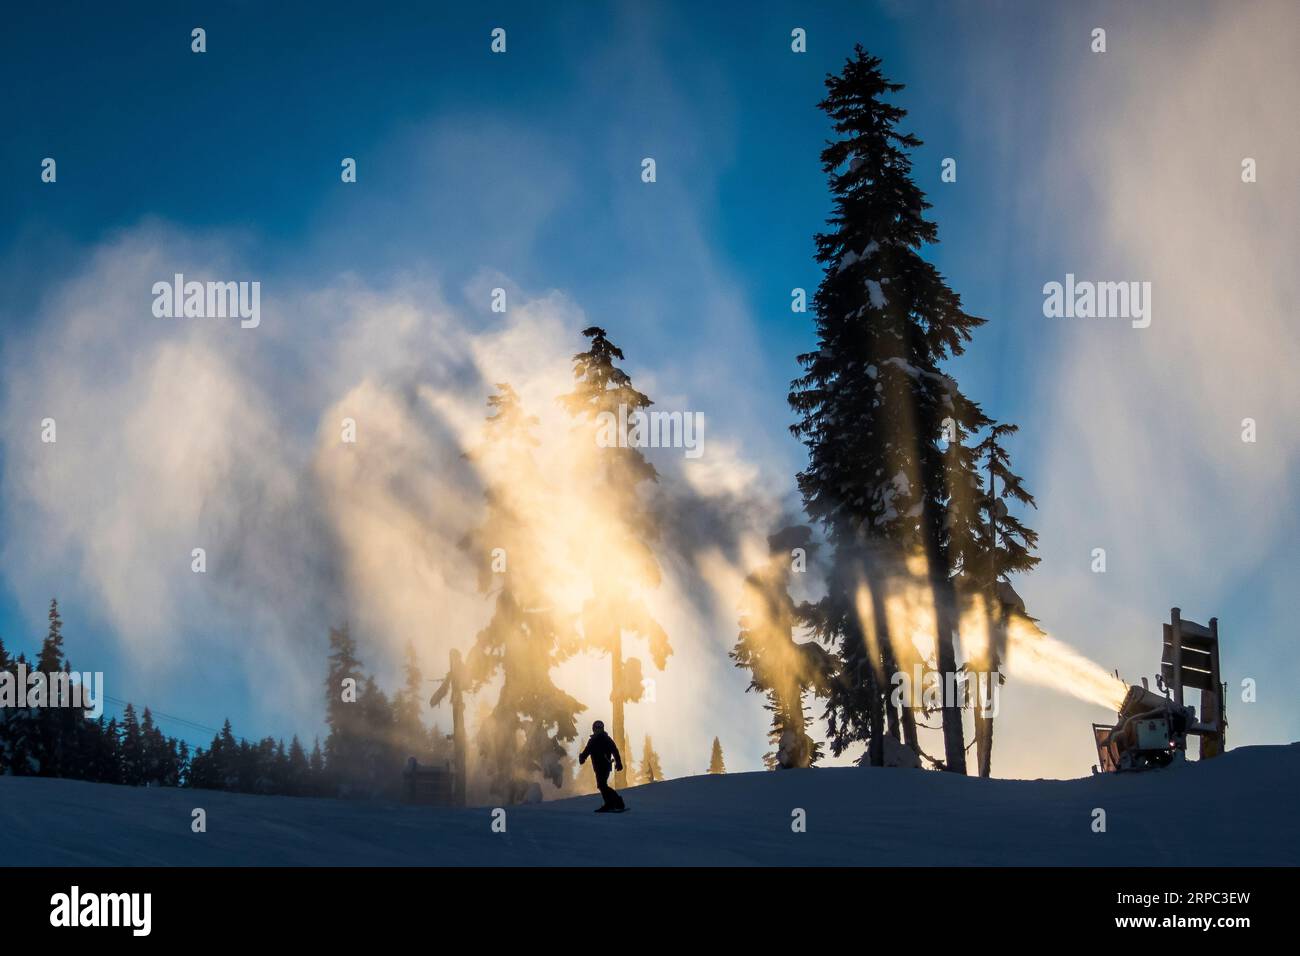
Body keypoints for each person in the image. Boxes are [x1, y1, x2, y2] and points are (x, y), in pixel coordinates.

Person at [578, 720, 625, 812]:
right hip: (597, 766)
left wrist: (618, 762)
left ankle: (615, 802)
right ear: (594, 729)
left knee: (602, 785)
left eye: (600, 728)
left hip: (605, 765)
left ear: (602, 729)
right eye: (597, 728)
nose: (598, 730)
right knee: (601, 785)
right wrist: (582, 757)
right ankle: (612, 803)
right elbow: (587, 750)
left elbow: (614, 750)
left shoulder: (605, 739)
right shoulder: (593, 740)